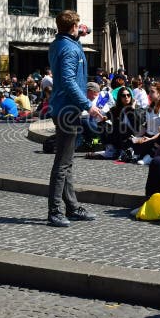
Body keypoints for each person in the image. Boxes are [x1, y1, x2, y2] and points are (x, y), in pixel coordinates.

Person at [46, 11, 102, 227]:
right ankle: (55, 211)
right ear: (72, 28)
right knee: (62, 164)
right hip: (68, 110)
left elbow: (73, 36)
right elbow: (69, 81)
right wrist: (89, 106)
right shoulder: (70, 49)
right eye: (78, 26)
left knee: (66, 162)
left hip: (61, 108)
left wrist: (80, 31)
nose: (81, 29)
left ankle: (72, 206)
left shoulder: (59, 43)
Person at [132, 82, 160, 164]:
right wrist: (137, 136)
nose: (149, 94)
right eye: (149, 92)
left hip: (159, 137)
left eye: (152, 92)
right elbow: (146, 125)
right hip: (149, 135)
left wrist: (150, 139)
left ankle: (151, 156)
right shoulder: (150, 107)